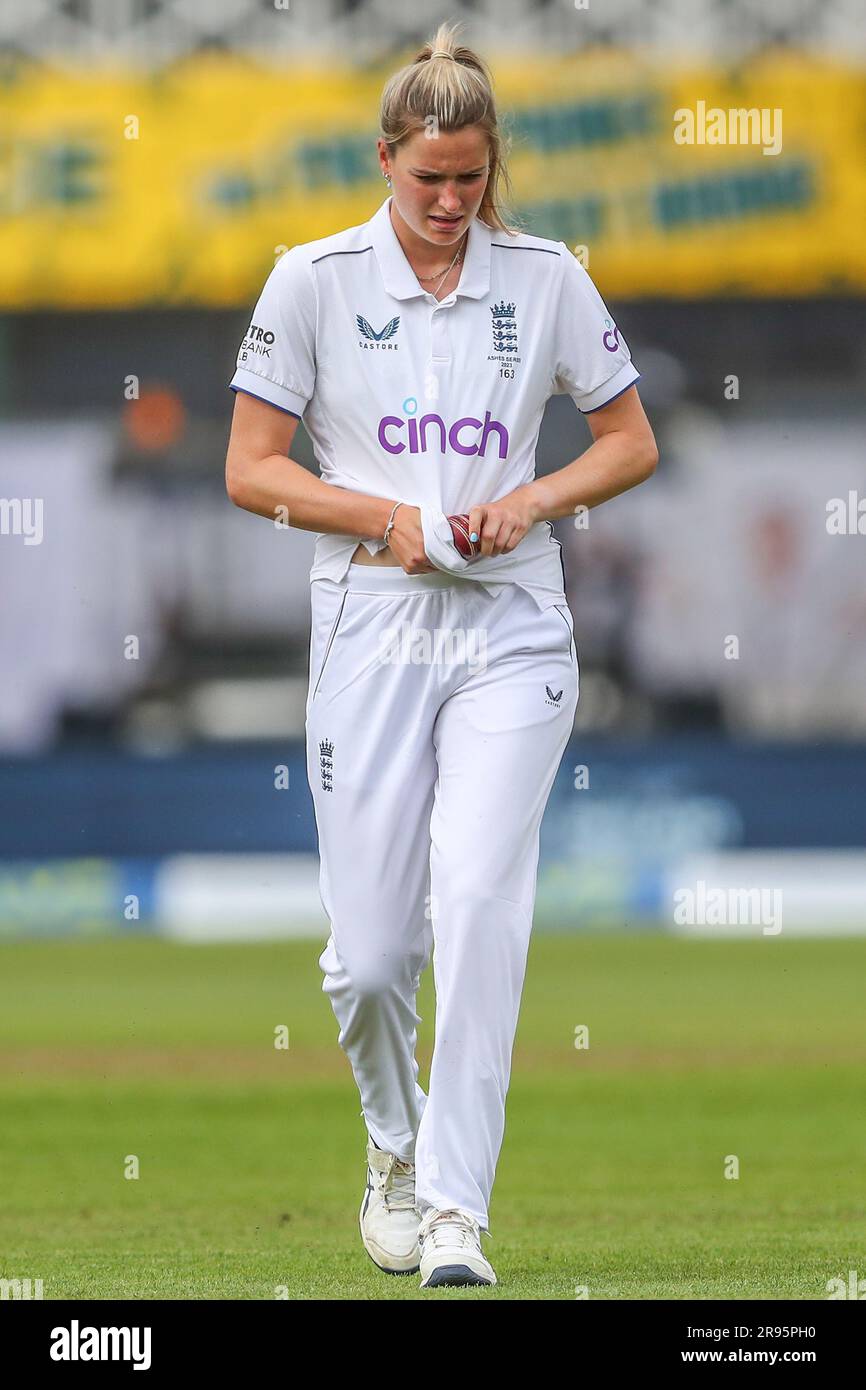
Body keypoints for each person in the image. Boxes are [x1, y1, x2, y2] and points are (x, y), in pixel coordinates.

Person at [225, 20, 657, 1289]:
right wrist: (387, 520)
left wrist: (527, 502)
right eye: (427, 180)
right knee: (366, 957)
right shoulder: (311, 278)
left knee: (474, 897)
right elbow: (250, 470)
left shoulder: (544, 277)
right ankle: (393, 1155)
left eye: (470, 179)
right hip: (368, 618)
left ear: (492, 167)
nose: (450, 204)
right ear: (384, 159)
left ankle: (458, 1210)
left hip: (511, 623)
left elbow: (627, 442)